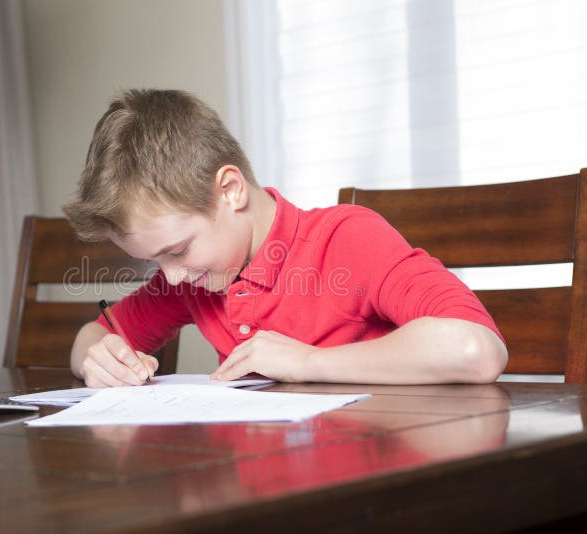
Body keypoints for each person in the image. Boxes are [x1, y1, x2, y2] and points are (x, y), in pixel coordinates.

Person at [62, 89, 508, 388]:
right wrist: (97, 360)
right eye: (155, 262)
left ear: (230, 191)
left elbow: (476, 349)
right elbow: (94, 335)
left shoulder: (345, 239)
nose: (171, 277)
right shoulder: (198, 279)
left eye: (176, 250)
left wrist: (309, 363)